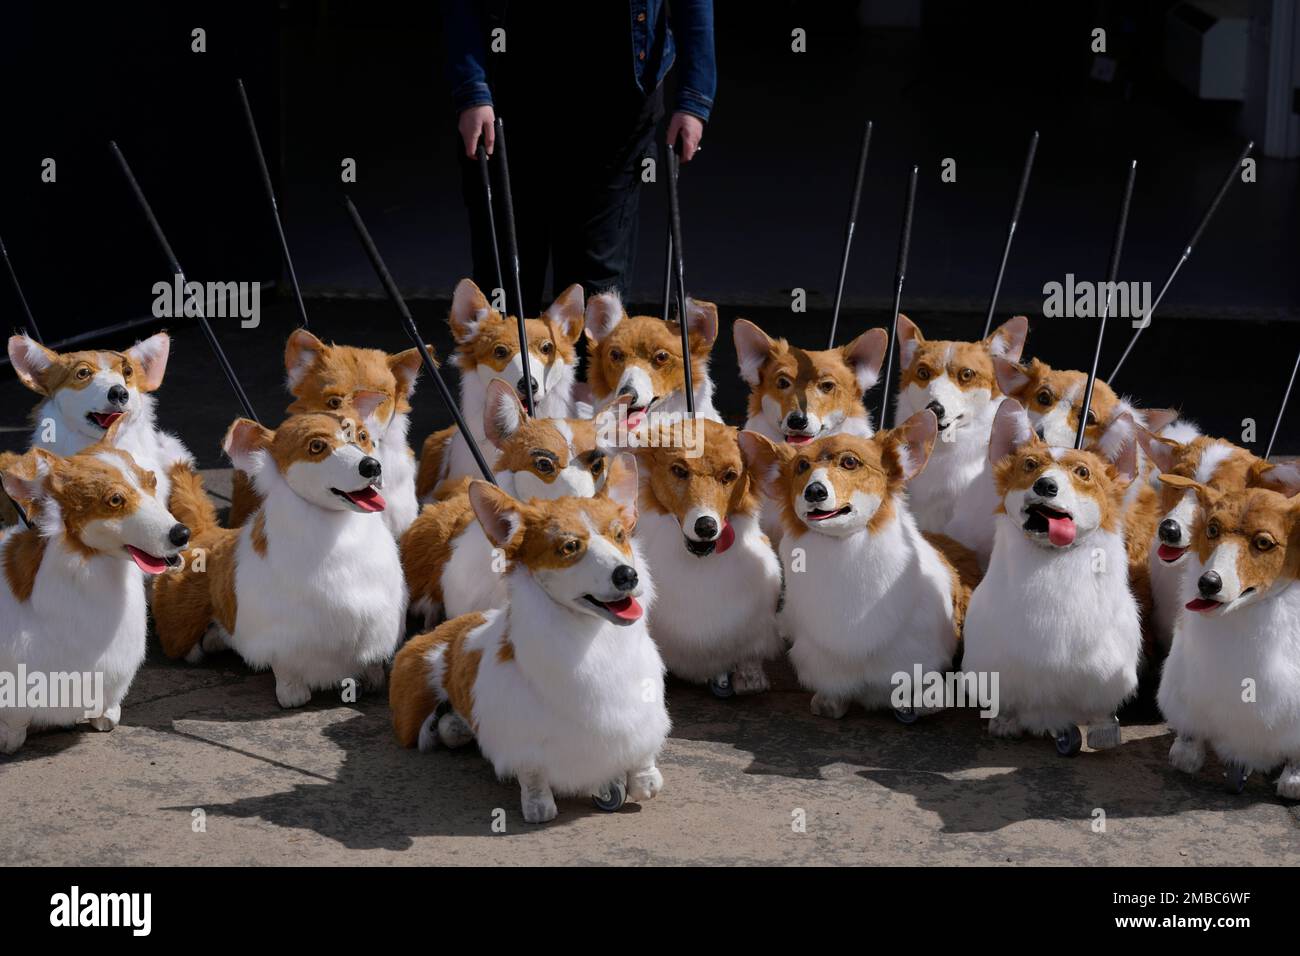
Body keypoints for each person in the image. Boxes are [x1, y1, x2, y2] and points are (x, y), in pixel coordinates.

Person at [443, 1, 716, 315]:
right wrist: (472, 90)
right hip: (513, 102)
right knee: (505, 289)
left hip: (617, 117)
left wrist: (694, 98)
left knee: (595, 300)